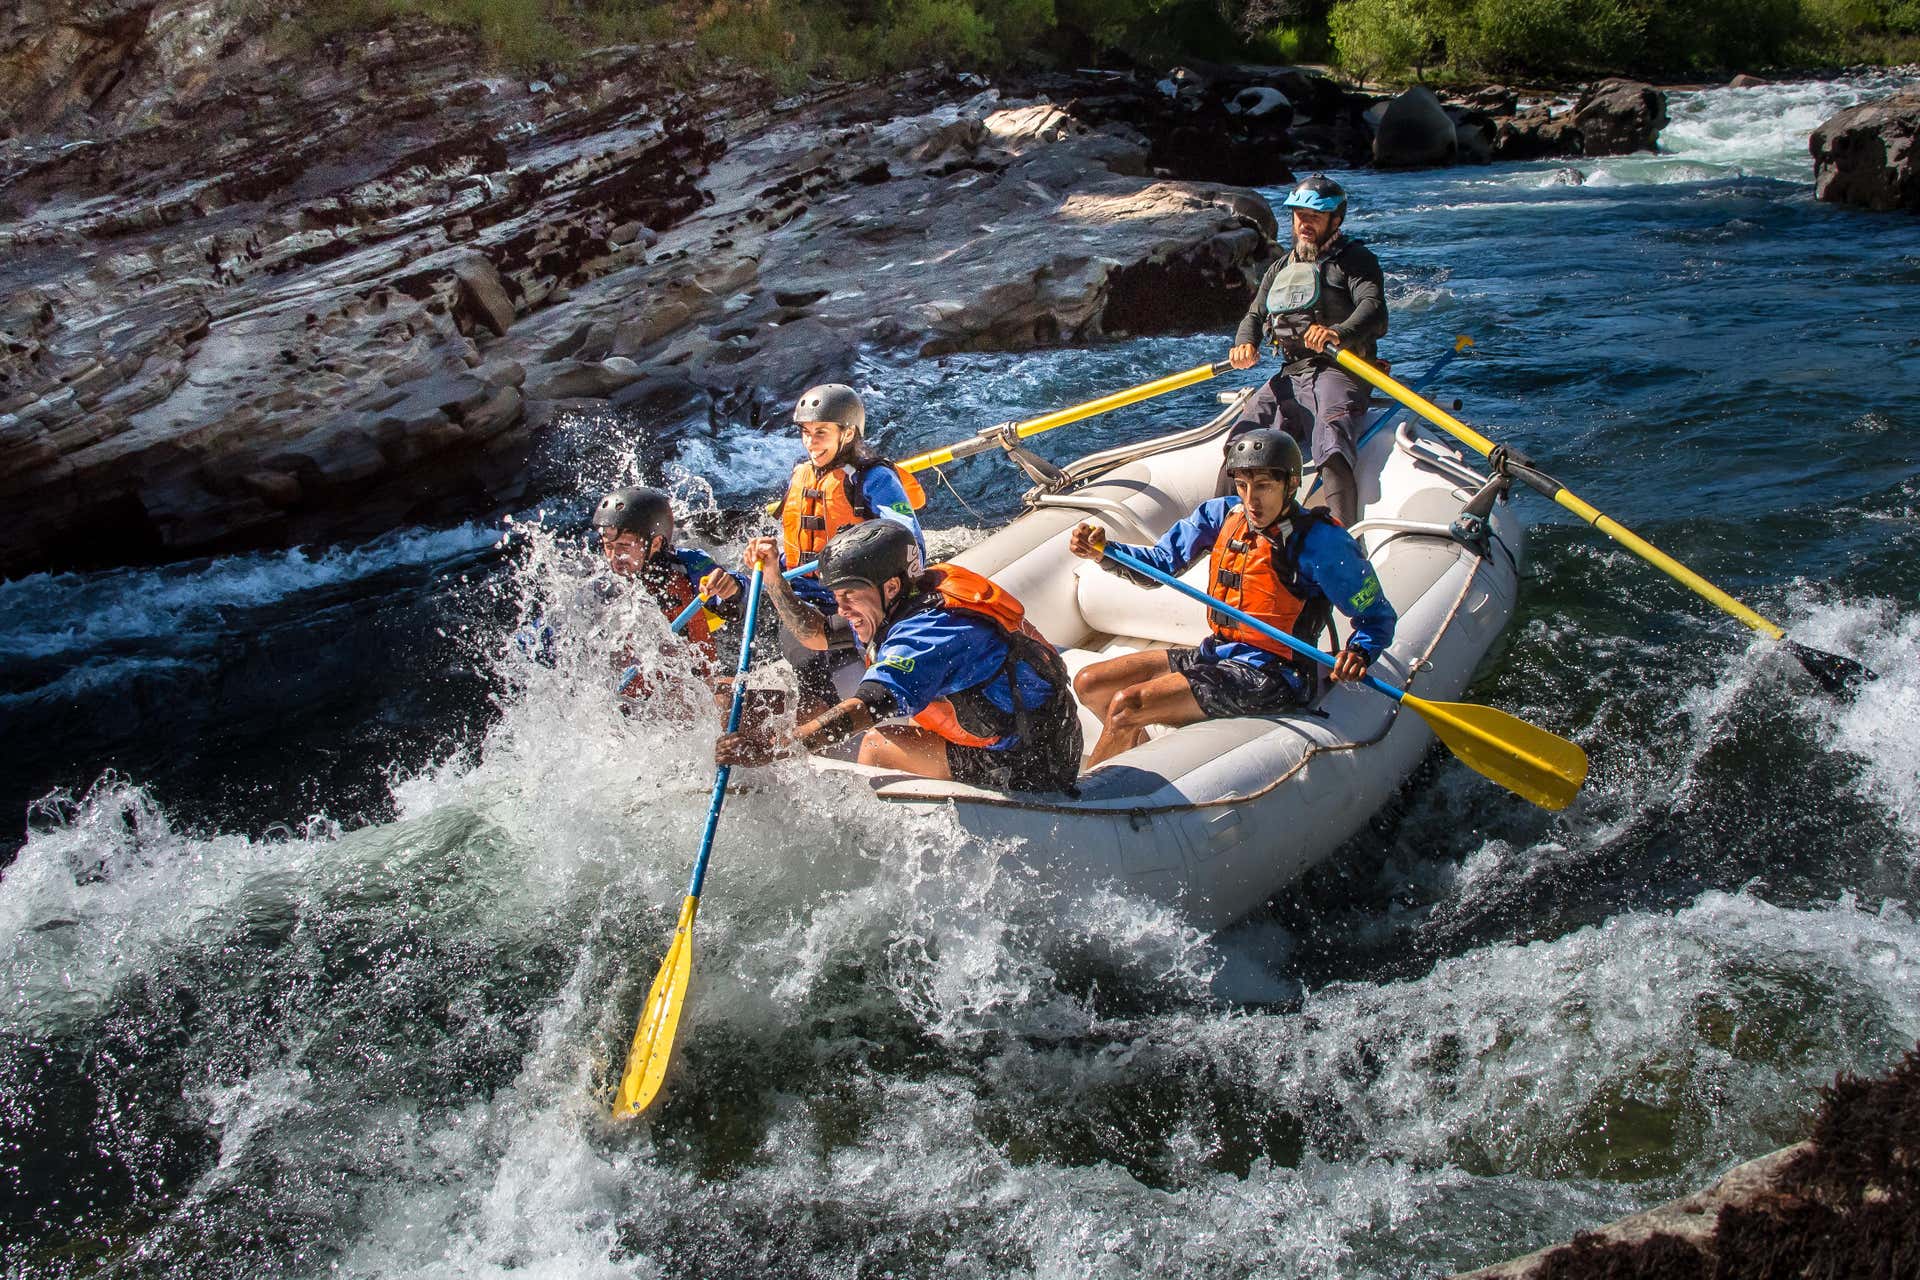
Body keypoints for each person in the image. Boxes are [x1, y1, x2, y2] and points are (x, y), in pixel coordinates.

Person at [1067, 428, 1397, 768]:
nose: (1251, 500)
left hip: (1274, 674)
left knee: (1126, 705)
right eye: (1243, 486)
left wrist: (1359, 652)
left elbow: (1377, 617)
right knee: (1091, 683)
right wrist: (1104, 552)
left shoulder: (1322, 543)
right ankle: (1135, 763)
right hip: (1219, 653)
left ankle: (1089, 800)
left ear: (1292, 484)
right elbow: (1159, 566)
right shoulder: (1223, 515)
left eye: (1264, 487)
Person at [716, 520, 1082, 792]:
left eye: (849, 596)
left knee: (877, 743)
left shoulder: (929, 632)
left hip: (1030, 759)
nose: (841, 609)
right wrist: (776, 581)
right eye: (836, 596)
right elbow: (815, 635)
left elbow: (866, 707)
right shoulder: (898, 602)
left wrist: (776, 750)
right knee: (898, 722)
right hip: (1020, 730)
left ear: (890, 587)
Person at [1225, 174, 1387, 526]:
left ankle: (1341, 532)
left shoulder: (1355, 260)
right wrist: (1244, 343)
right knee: (1243, 441)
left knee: (1329, 433)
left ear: (1336, 220)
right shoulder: (1280, 268)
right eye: (1299, 215)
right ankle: (1231, 529)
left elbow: (1373, 309)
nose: (1304, 223)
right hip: (1291, 373)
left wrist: (1337, 332)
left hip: (1340, 369)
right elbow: (1255, 315)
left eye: (1314, 216)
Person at [771, 383, 930, 713]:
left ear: (847, 433)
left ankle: (856, 710)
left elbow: (908, 537)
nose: (811, 443)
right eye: (806, 432)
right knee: (790, 639)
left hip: (855, 595)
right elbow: (793, 542)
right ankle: (819, 711)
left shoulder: (873, 478)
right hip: (807, 590)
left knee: (806, 641)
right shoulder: (801, 475)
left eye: (821, 433)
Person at [591, 486, 746, 697]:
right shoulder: (599, 583)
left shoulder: (689, 566)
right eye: (608, 546)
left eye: (624, 546)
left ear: (655, 543)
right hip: (624, 697)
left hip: (692, 687)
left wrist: (732, 590)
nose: (614, 556)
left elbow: (740, 603)